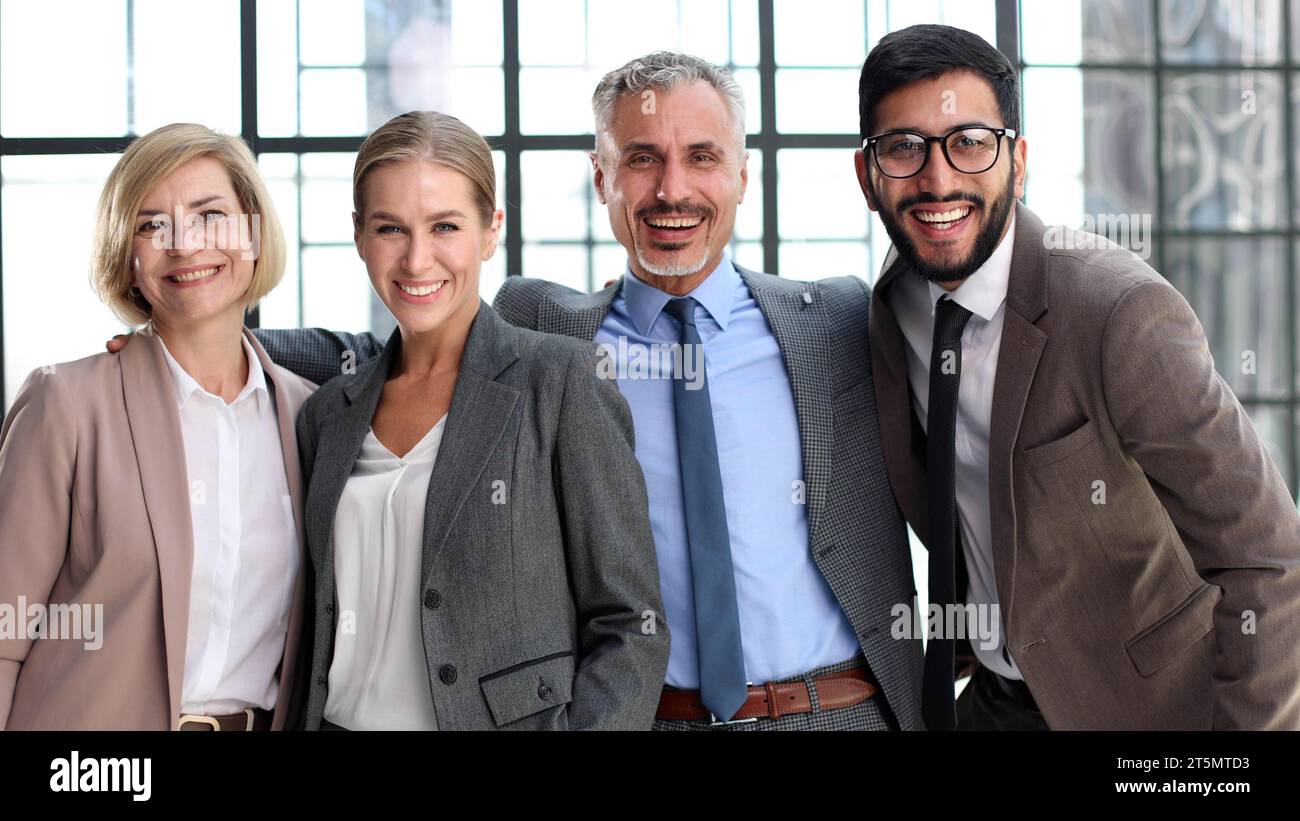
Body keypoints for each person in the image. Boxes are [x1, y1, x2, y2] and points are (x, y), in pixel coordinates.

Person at [855, 24, 1300, 730]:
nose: (938, 178)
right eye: (904, 148)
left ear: (1018, 160)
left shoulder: (1117, 310)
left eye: (969, 142)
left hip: (1147, 716)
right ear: (867, 174)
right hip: (993, 705)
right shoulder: (894, 304)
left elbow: (1265, 555)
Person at [493, 52, 920, 731]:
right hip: (649, 718)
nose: (672, 190)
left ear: (742, 176)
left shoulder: (839, 321)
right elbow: (402, 351)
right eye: (641, 159)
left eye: (702, 157)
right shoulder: (542, 329)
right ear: (601, 176)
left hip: (837, 710)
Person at [285, 111, 667, 730]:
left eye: (445, 227)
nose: (416, 259)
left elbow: (628, 623)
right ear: (359, 236)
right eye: (390, 228)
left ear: (491, 231)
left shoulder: (560, 382)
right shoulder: (329, 414)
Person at [0, 123, 313, 731]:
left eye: (210, 214)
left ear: (253, 230)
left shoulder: (311, 416)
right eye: (151, 225)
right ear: (128, 257)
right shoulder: (67, 403)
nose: (185, 244)